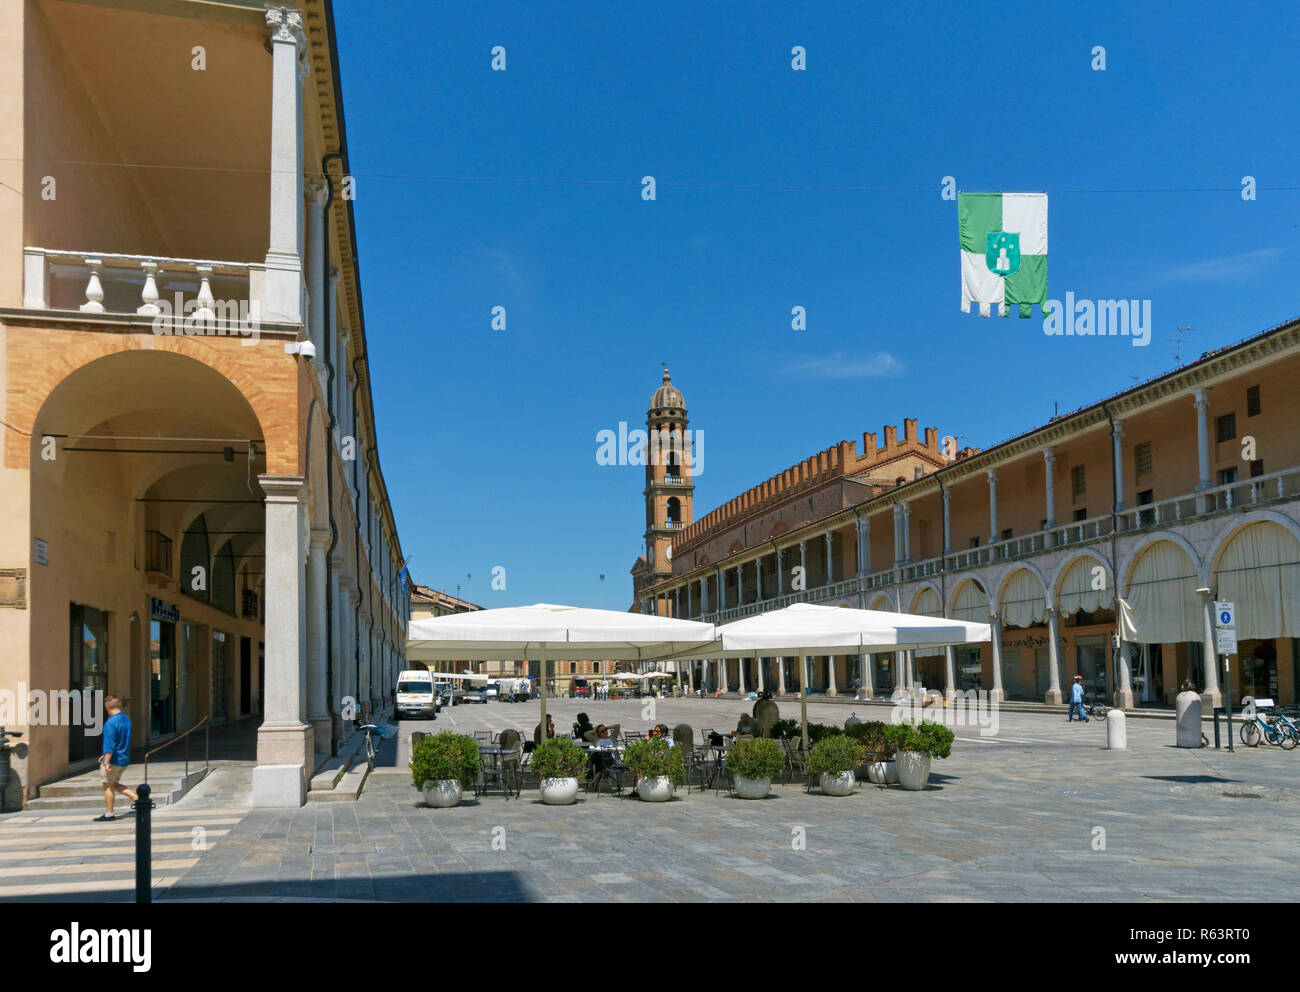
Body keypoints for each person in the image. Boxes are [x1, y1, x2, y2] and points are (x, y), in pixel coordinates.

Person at [96, 696, 137, 822]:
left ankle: (109, 813)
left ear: (107, 707)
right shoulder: (127, 720)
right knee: (113, 784)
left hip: (114, 760)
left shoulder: (110, 723)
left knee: (108, 786)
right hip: (123, 758)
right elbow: (120, 740)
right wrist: (106, 755)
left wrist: (106, 761)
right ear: (118, 705)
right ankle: (138, 799)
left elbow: (109, 745)